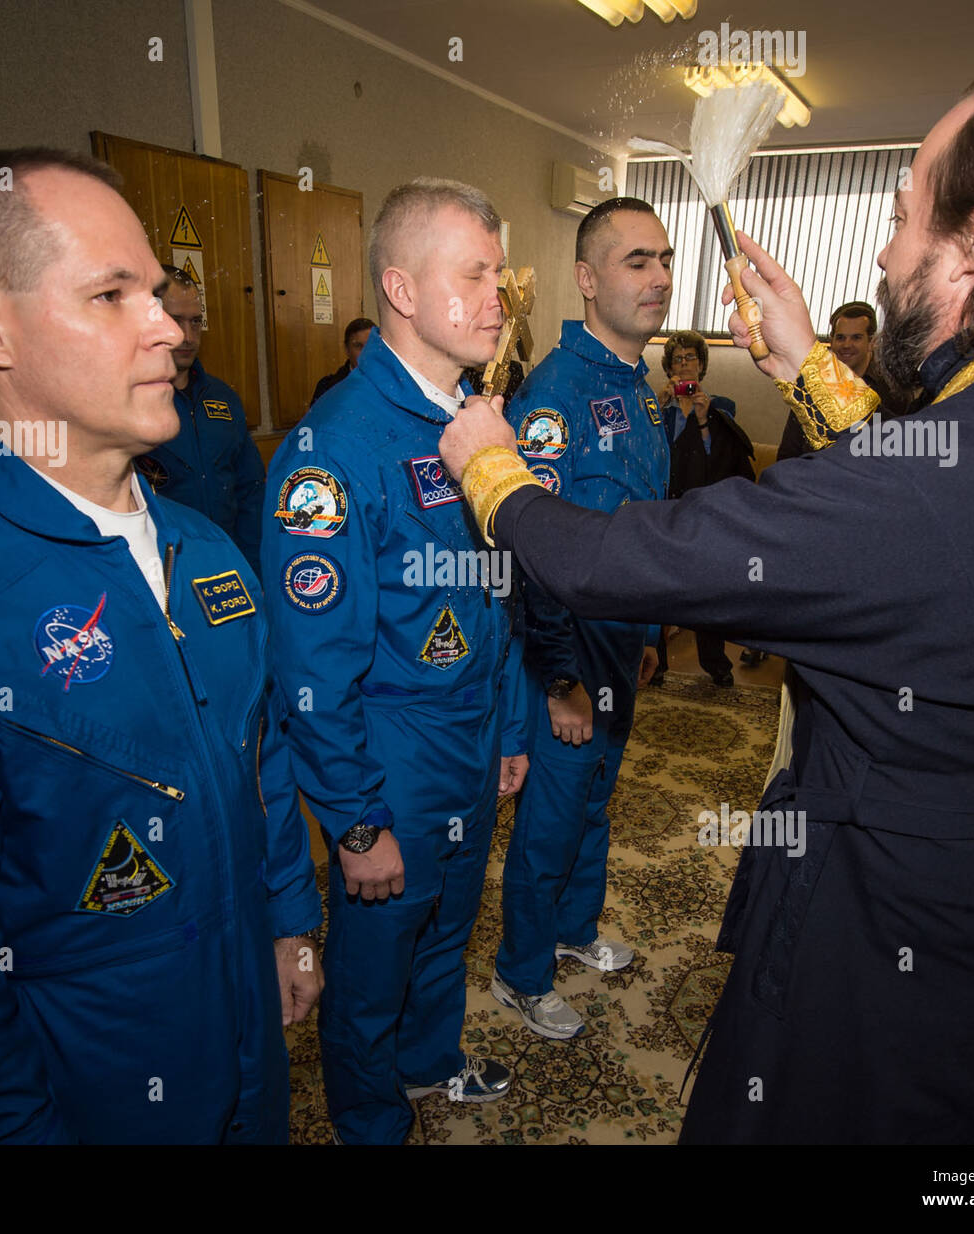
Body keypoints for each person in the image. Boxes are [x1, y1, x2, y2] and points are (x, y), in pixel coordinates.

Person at [438, 54, 974, 1144]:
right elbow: (941, 490)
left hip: (901, 971)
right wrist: (806, 364)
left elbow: (626, 557)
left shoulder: (947, 483)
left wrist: (491, 473)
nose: (885, 249)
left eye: (901, 216)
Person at [0, 148, 322, 1144]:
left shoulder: (206, 548)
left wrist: (290, 924)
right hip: (92, 1082)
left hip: (249, 1031)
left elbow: (262, 754)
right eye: (110, 294)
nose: (169, 326)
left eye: (161, 293)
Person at [262, 178, 529, 1144]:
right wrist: (358, 818)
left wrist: (506, 726)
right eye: (477, 274)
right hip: (390, 753)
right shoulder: (332, 452)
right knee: (374, 963)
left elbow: (498, 597)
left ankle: (429, 1065)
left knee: (448, 931)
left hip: (467, 736)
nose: (499, 294)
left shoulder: (473, 424)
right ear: (403, 291)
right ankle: (370, 1120)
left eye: (499, 272)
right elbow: (312, 671)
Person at [489, 197, 668, 1039]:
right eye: (637, 261)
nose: (660, 277)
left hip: (621, 642)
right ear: (588, 280)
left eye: (664, 259)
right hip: (568, 654)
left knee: (594, 803)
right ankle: (520, 971)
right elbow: (531, 553)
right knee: (553, 816)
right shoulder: (554, 396)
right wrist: (558, 679)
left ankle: (573, 930)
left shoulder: (640, 388)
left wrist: (652, 637)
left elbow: (650, 527)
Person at [133, 265, 266, 575]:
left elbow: (251, 492)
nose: (188, 336)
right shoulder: (129, 403)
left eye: (196, 322)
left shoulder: (223, 399)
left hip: (229, 562)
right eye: (176, 321)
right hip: (164, 571)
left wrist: (252, 568)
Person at [660, 330, 756, 685]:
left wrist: (702, 417)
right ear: (668, 367)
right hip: (666, 509)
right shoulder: (658, 408)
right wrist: (660, 405)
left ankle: (716, 665)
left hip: (704, 513)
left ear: (702, 365)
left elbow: (721, 461)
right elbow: (655, 455)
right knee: (659, 589)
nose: (684, 366)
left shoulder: (722, 407)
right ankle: (657, 664)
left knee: (706, 591)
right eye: (678, 360)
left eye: (691, 359)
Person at [776, 301, 909, 461]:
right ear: (831, 341)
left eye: (856, 338)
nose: (847, 345)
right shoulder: (812, 386)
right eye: (840, 338)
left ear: (871, 342)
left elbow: (899, 456)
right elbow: (788, 453)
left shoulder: (893, 392)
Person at [310, 316, 375, 407]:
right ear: (347, 349)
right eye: (358, 346)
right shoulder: (328, 388)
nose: (365, 352)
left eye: (370, 345)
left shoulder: (392, 384)